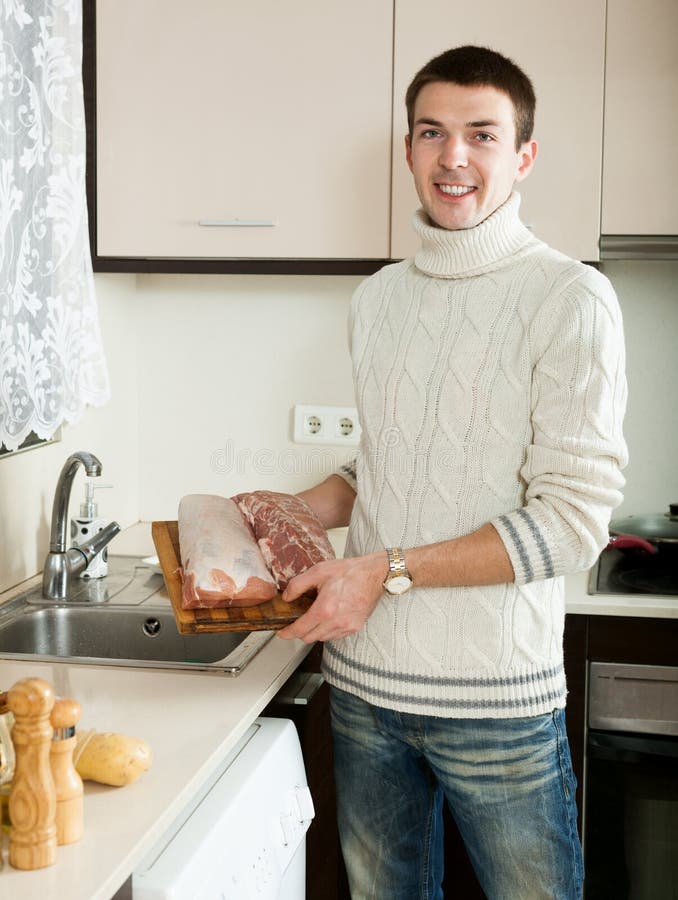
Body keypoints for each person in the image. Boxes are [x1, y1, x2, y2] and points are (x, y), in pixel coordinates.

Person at [278, 45, 627, 900]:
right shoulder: (377, 299)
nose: (454, 157)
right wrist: (290, 507)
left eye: (482, 134)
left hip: (498, 701)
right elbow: (390, 460)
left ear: (523, 156)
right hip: (363, 688)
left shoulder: (569, 297)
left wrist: (385, 573)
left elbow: (572, 524)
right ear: (408, 150)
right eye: (432, 132)